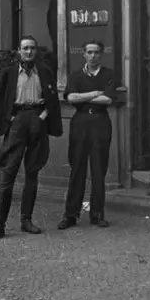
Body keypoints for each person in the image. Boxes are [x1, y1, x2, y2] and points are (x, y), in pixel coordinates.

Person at [0, 35, 62, 242]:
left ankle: (26, 220)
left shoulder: (44, 72)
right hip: (17, 121)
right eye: (25, 48)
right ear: (19, 51)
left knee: (32, 172)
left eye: (32, 48)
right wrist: (10, 119)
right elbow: (0, 100)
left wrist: (43, 117)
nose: (29, 52)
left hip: (37, 119)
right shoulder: (9, 73)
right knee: (8, 172)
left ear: (36, 51)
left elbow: (52, 99)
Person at [58, 40, 119, 230]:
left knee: (98, 170)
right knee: (77, 169)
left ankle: (97, 214)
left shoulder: (109, 74)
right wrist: (93, 93)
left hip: (100, 124)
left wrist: (82, 96)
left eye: (97, 53)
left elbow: (107, 99)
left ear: (101, 54)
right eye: (89, 52)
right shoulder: (75, 76)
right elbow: (70, 98)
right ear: (84, 54)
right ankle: (71, 215)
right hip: (80, 123)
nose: (93, 56)